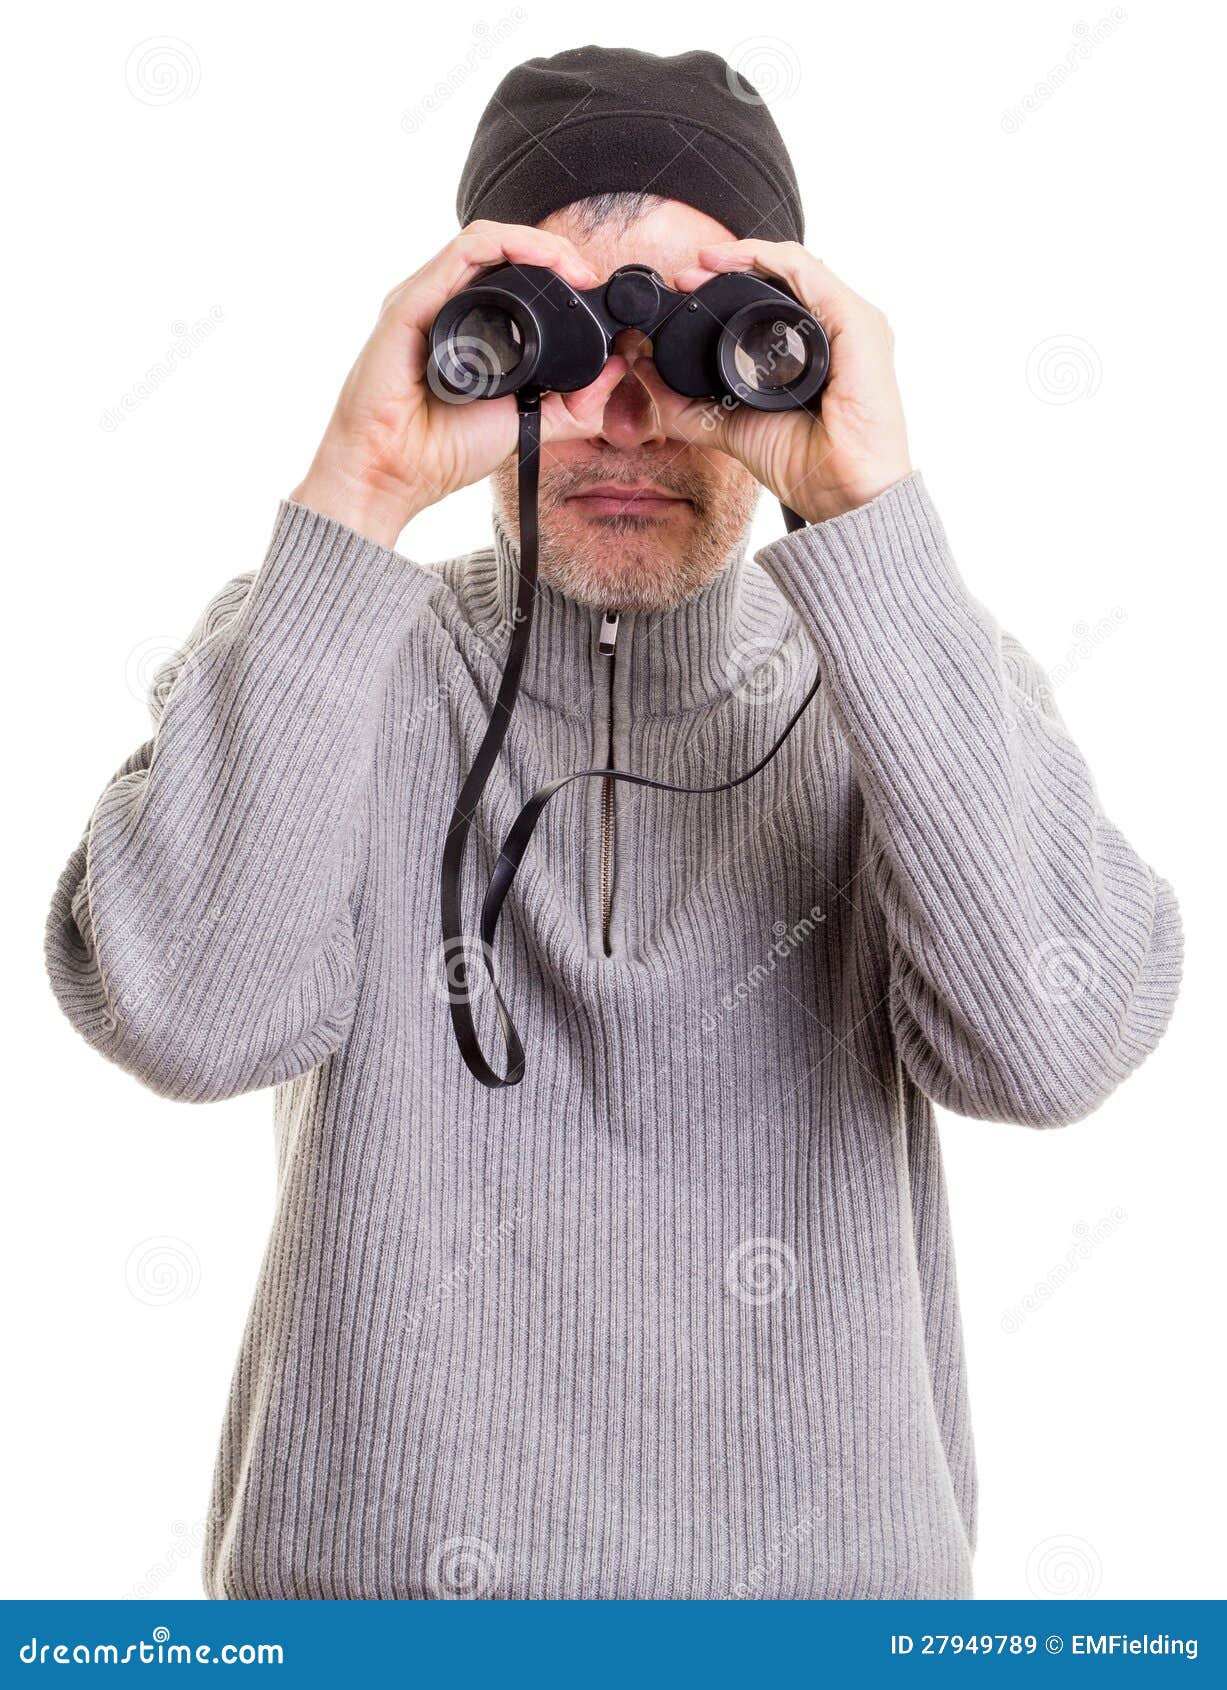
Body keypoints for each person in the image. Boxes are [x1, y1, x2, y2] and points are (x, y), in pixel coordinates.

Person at [45, 46, 1181, 1600]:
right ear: (468, 338)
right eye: (558, 335)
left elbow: (1051, 1050)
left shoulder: (914, 681)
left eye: (701, 339)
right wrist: (355, 496)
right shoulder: (321, 654)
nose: (627, 409)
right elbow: (191, 1016)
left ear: (788, 347)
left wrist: (877, 525)